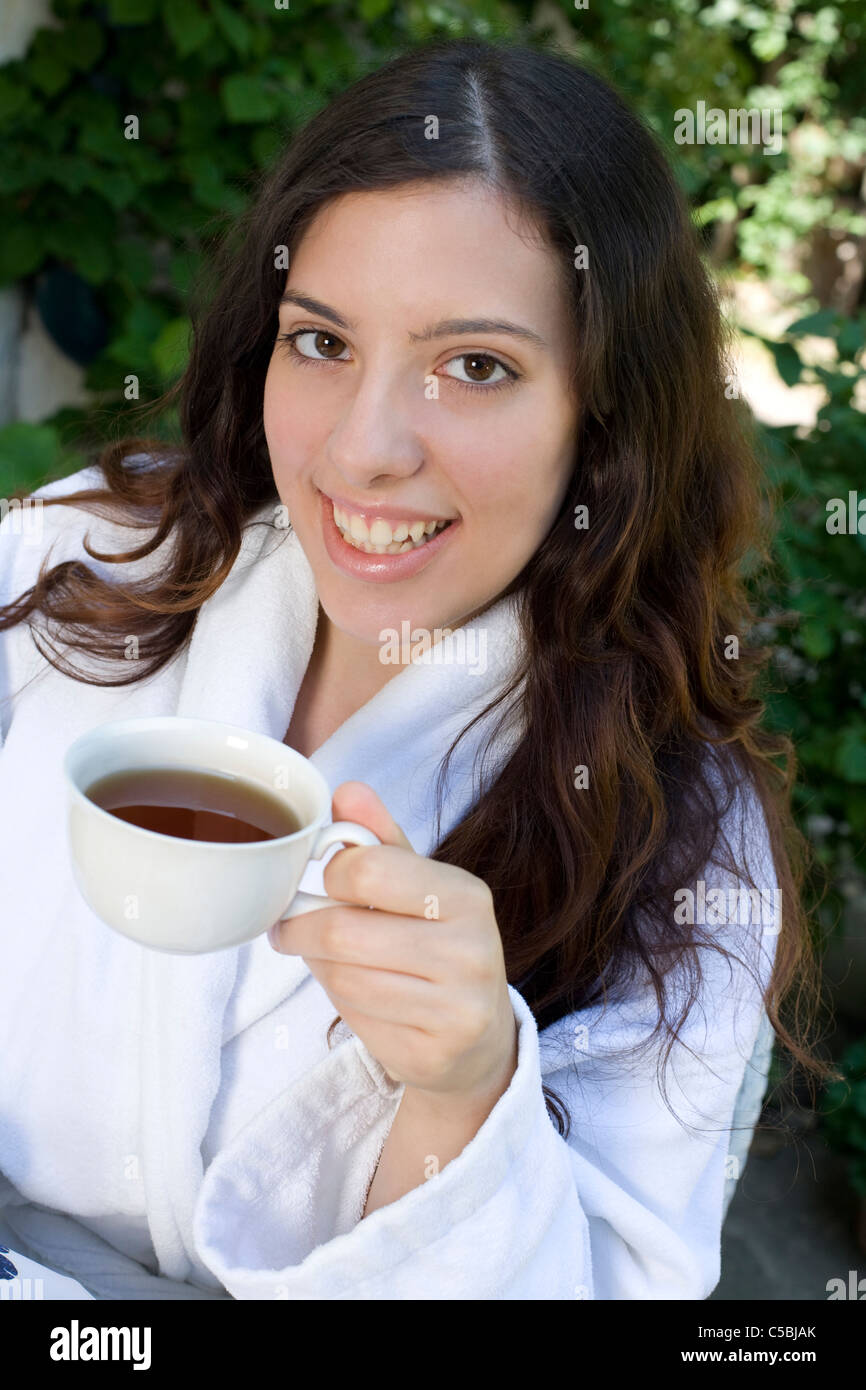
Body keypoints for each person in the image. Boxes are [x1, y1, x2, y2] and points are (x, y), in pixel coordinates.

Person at [0, 36, 830, 1299]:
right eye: (321, 342)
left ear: (602, 417)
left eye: (475, 367)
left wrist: (462, 1093)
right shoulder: (85, 564)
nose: (363, 449)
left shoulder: (677, 843)